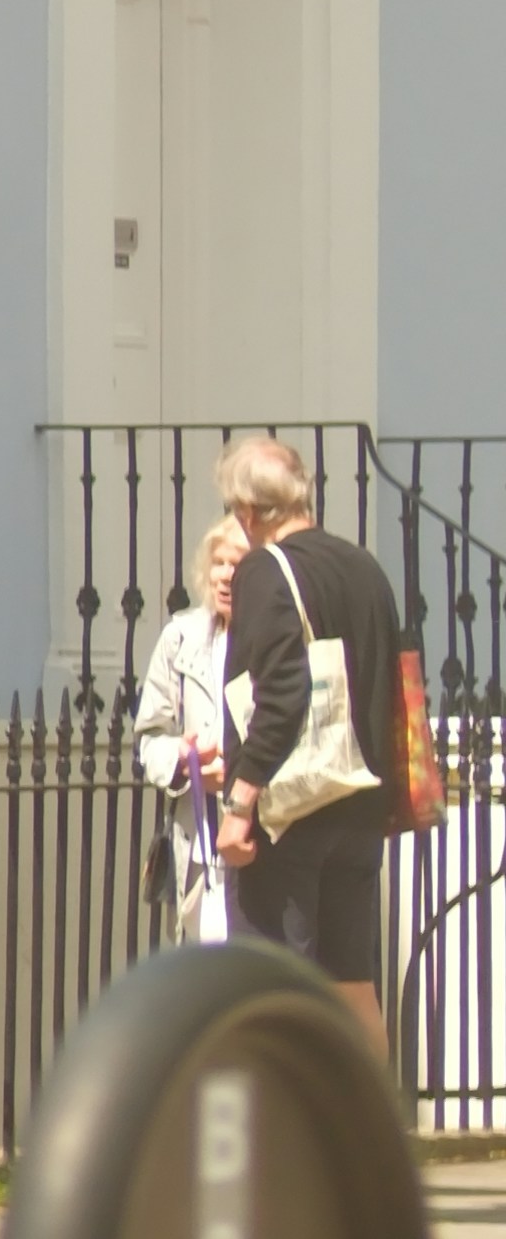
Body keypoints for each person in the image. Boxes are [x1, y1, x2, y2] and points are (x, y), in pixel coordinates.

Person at [217, 432, 410, 1025]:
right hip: (360, 805)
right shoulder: (365, 567)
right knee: (354, 990)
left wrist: (240, 804)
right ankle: (367, 1093)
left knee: (272, 987)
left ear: (248, 510)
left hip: (293, 810)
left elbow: (281, 696)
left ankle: (283, 1092)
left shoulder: (264, 571)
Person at [132, 508, 254, 940]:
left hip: (259, 842)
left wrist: (241, 777)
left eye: (237, 565)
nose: (225, 576)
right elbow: (149, 738)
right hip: (199, 846)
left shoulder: (276, 640)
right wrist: (183, 760)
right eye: (218, 563)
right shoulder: (179, 638)